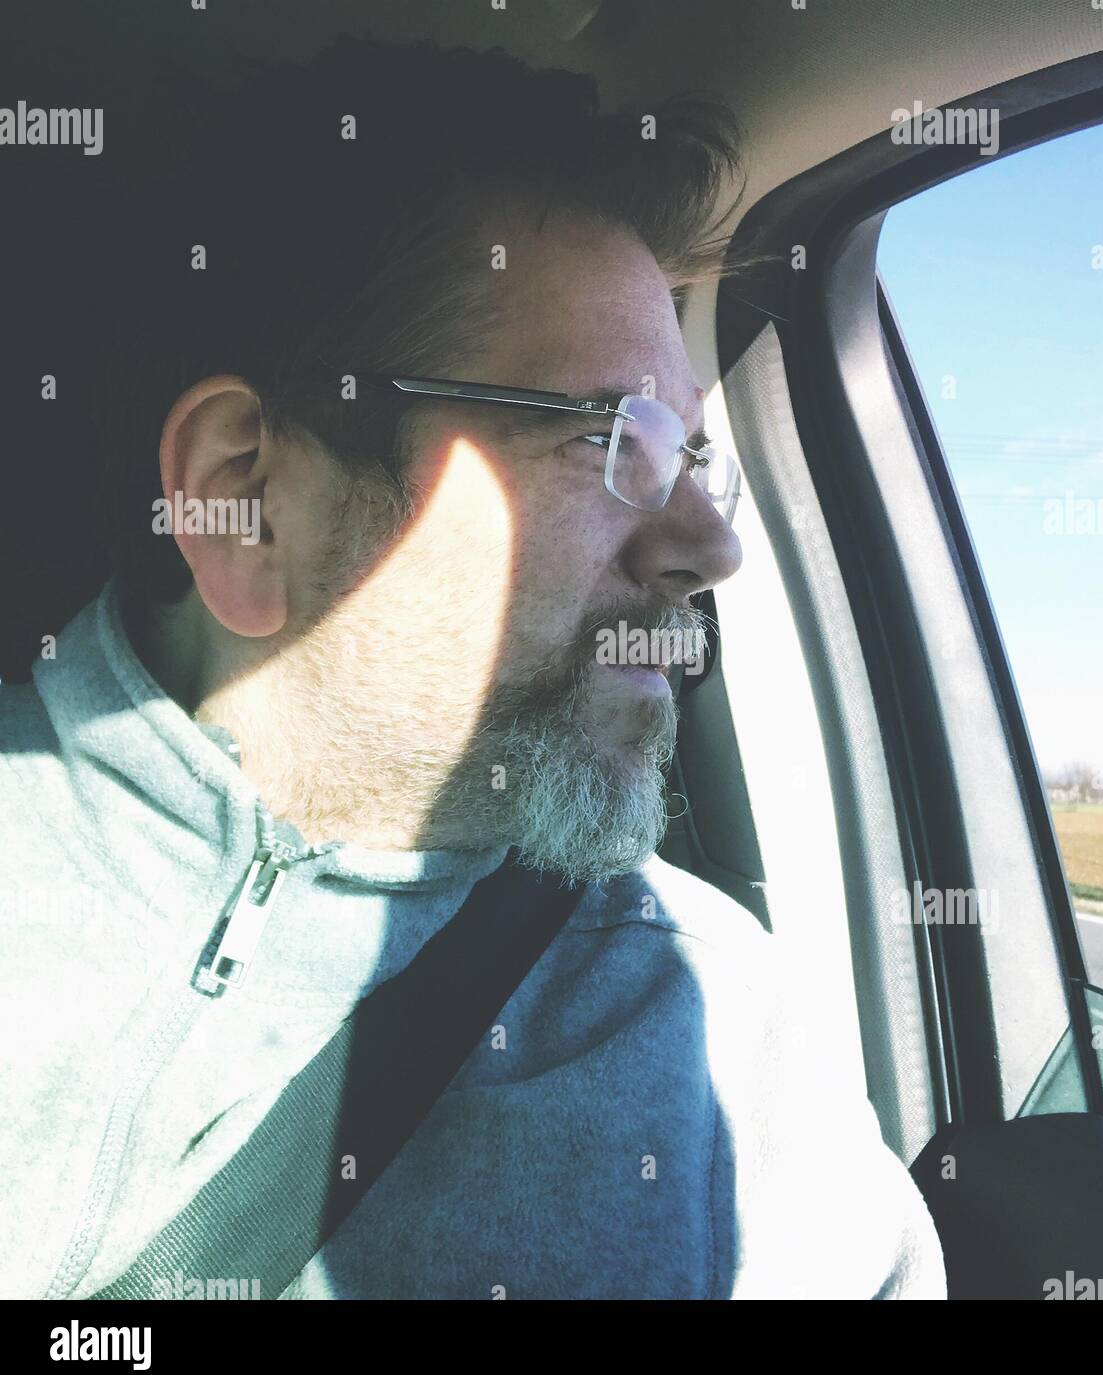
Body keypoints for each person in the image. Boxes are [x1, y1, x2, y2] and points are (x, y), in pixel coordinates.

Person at [0, 36, 945, 1299]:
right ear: (248, 495)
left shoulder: (717, 1037)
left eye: (691, 459)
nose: (712, 546)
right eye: (612, 437)